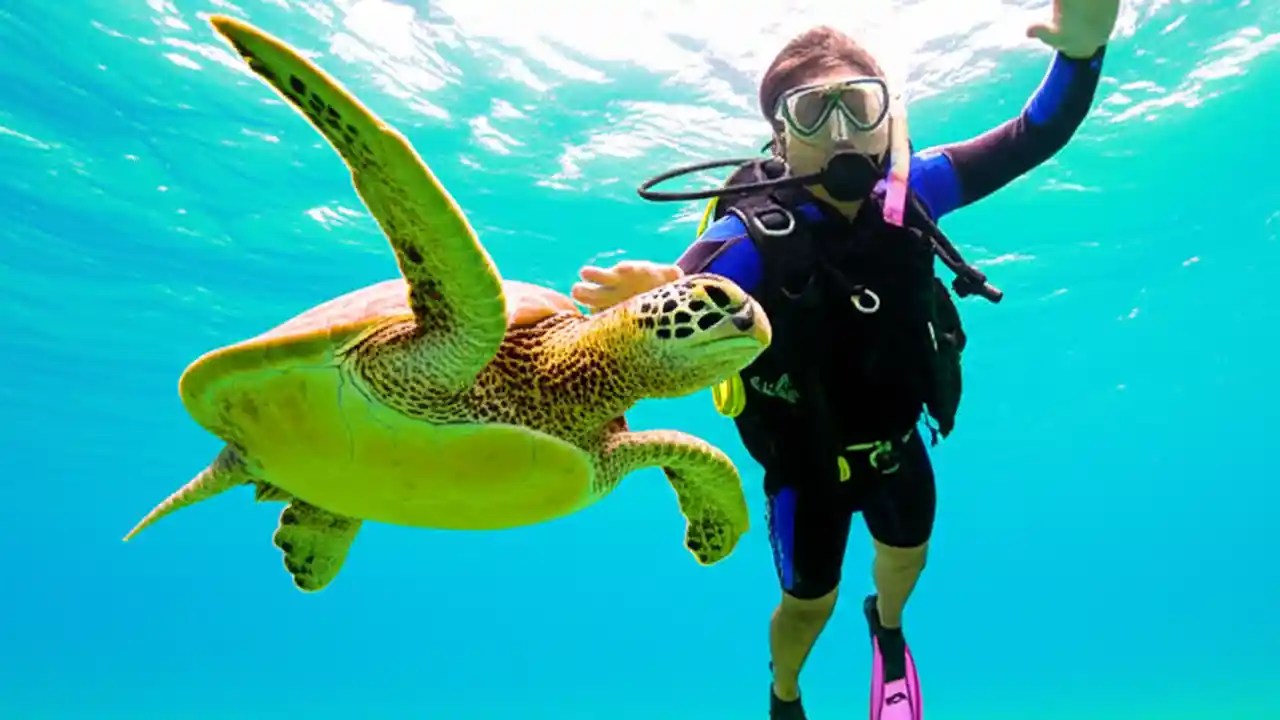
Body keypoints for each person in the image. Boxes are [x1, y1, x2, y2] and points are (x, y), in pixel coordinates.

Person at [572, 1, 1120, 718]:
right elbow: (692, 296)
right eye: (812, 111)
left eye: (858, 105)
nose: (839, 133)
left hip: (898, 447)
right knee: (806, 607)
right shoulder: (749, 237)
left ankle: (887, 630)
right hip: (804, 471)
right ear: (781, 136)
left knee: (905, 562)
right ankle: (786, 693)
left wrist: (1081, 56)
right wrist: (654, 304)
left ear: (888, 118)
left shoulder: (912, 192)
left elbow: (1031, 136)